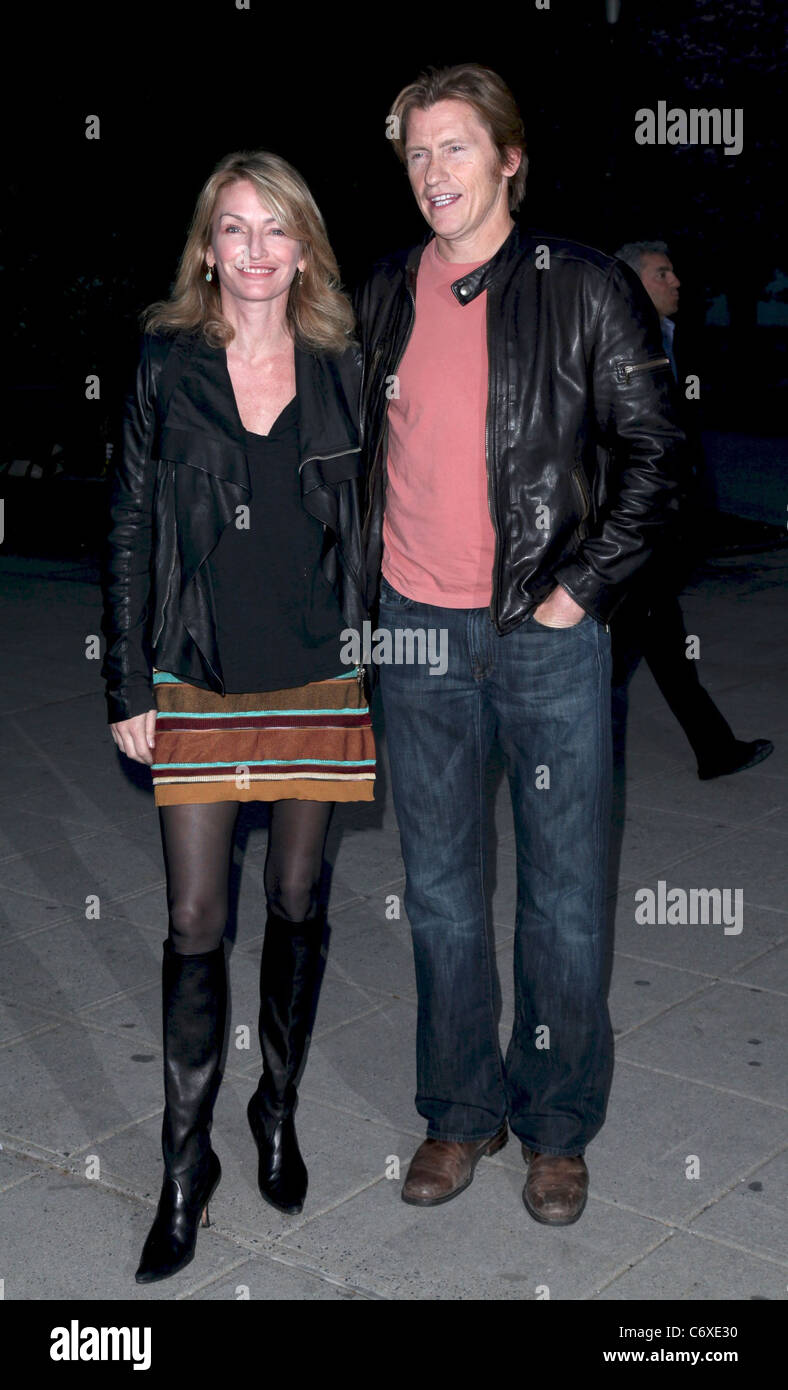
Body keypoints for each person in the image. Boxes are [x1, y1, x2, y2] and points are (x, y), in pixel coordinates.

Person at [355, 64, 685, 1225]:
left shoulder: (586, 288)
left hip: (544, 639)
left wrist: (576, 594)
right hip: (415, 633)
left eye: (455, 146)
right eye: (415, 152)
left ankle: (553, 1129)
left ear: (507, 158)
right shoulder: (386, 287)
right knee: (439, 893)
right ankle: (458, 1113)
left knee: (560, 900)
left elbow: (656, 458)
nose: (432, 171)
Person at [101, 151, 374, 1284]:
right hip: (199, 672)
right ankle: (183, 1166)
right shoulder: (168, 365)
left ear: (302, 249)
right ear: (207, 250)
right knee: (196, 914)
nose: (254, 250)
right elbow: (127, 526)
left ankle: (276, 1108)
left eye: (276, 230)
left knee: (300, 896)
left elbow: (384, 514)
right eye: (233, 229)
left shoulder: (345, 366)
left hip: (318, 671)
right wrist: (126, 683)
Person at [612, 241, 773, 779]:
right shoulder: (622, 343)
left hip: (659, 526)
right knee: (635, 648)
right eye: (663, 273)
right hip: (637, 526)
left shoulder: (666, 337)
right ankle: (713, 749)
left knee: (652, 641)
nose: (676, 281)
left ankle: (715, 749)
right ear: (635, 283)